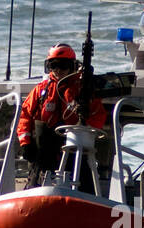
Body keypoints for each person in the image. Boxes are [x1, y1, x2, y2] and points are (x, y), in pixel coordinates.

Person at [17, 44, 107, 172]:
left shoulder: (83, 90)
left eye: (63, 65)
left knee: (84, 181)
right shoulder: (41, 90)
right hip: (43, 154)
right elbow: (25, 117)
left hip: (76, 152)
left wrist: (83, 131)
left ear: (72, 66)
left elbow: (98, 115)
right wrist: (26, 144)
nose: (58, 70)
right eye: (53, 65)